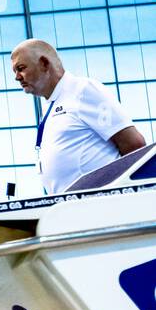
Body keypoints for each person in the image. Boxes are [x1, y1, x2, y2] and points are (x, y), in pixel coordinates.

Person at [11, 39, 146, 194]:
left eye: (20, 68)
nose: (17, 77)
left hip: (99, 204)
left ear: (44, 63)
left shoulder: (83, 90)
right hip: (68, 207)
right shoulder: (50, 104)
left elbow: (134, 145)